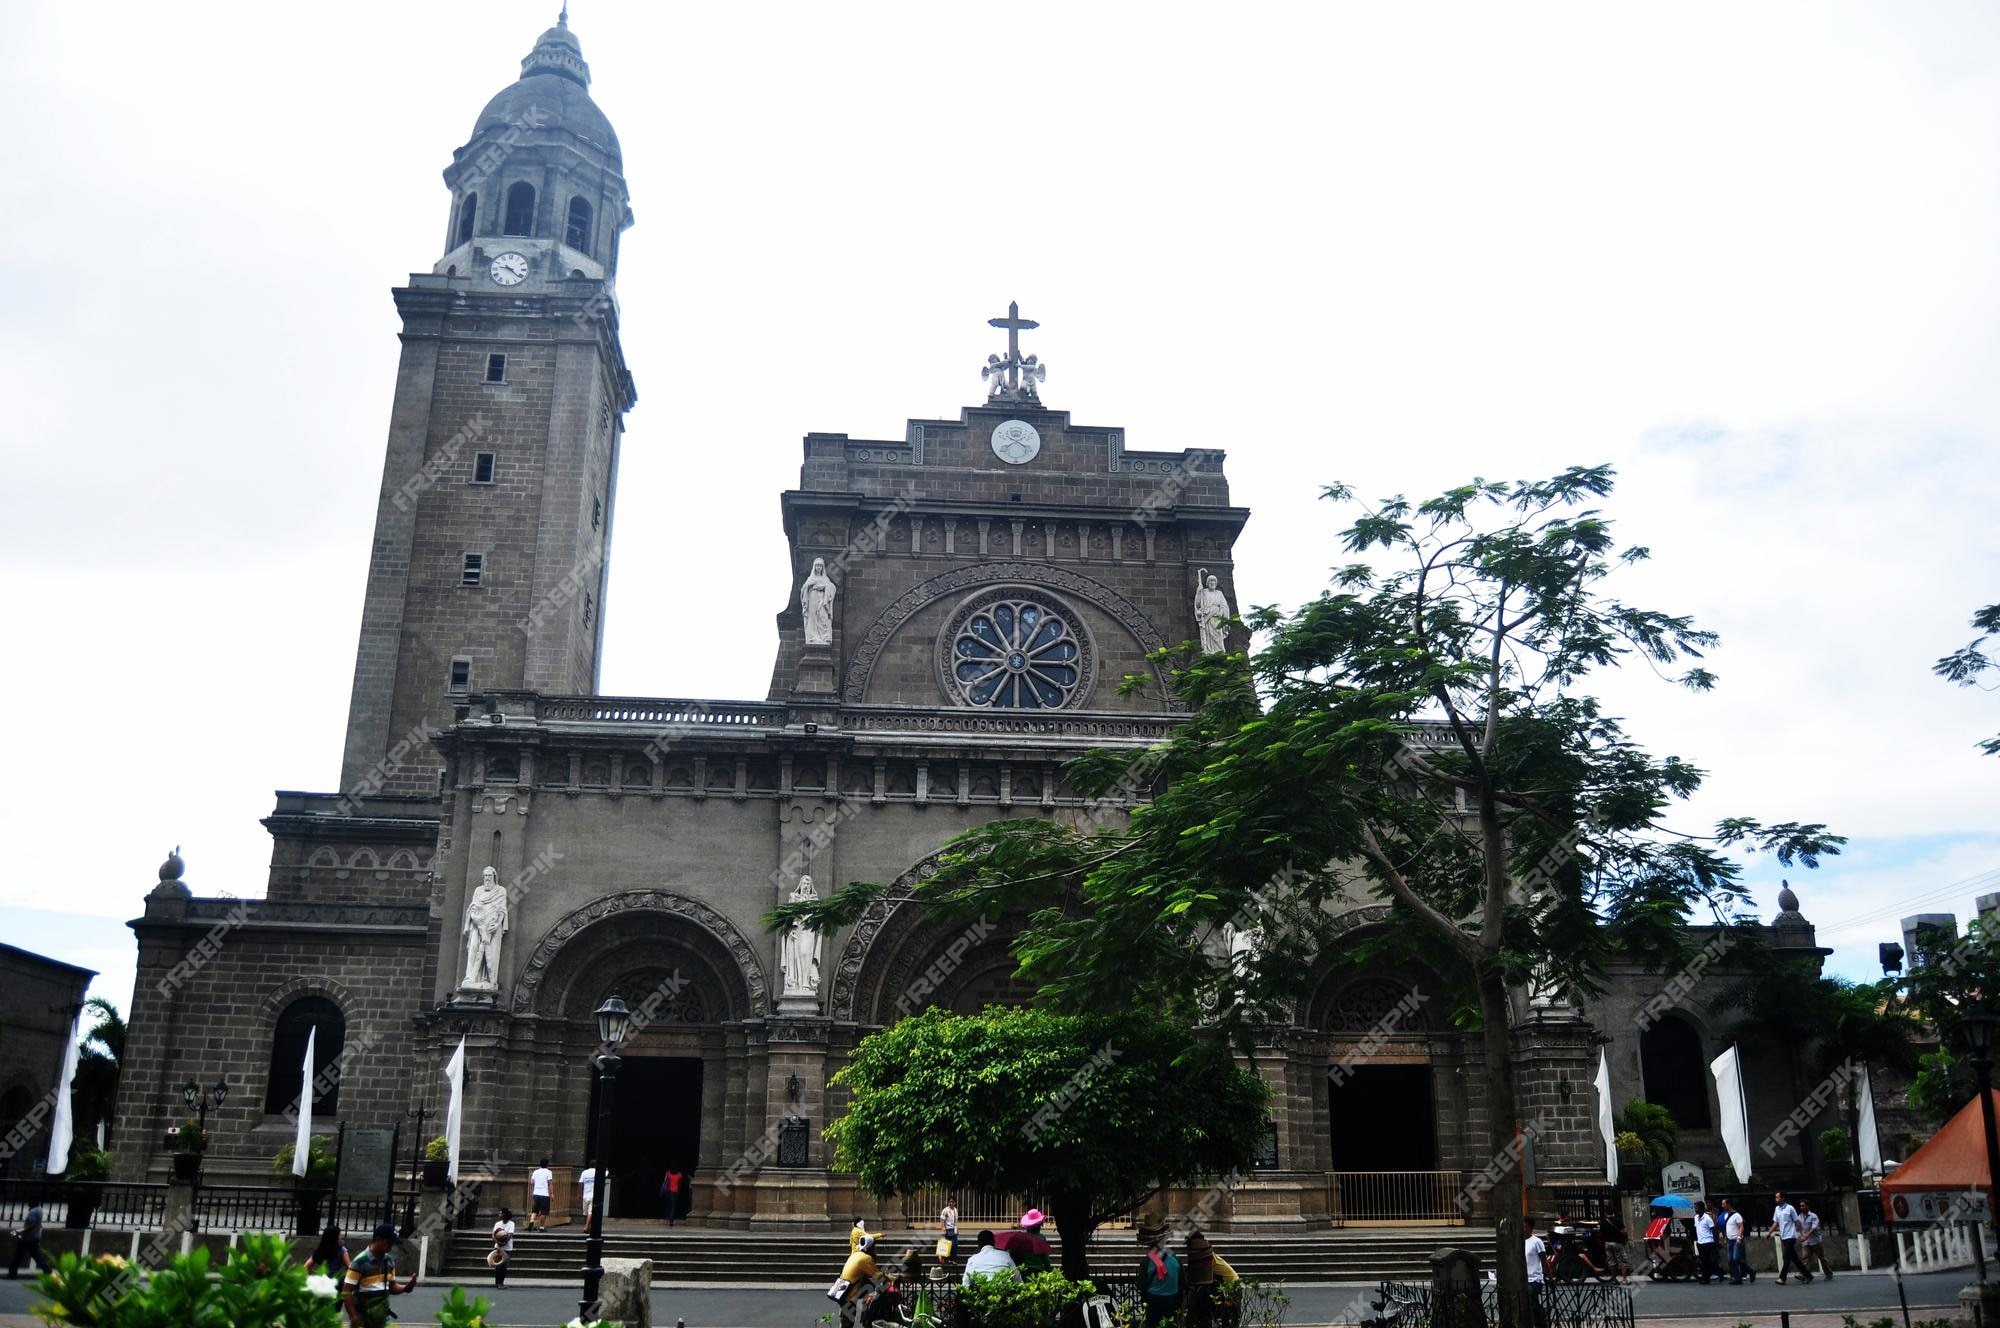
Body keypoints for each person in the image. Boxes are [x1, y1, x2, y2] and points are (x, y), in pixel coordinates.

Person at [341, 1221, 418, 1328]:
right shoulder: (359, 1262)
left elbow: (391, 1287)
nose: (391, 1247)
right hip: (363, 1318)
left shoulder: (389, 1261)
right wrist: (353, 1316)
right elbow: (346, 1291)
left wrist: (406, 1288)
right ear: (378, 1239)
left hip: (382, 1317)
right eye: (388, 1243)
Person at [832, 1232, 884, 1326]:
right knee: (847, 1323)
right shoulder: (865, 1258)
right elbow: (878, 1275)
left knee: (845, 1322)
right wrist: (889, 1278)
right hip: (848, 1296)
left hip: (842, 1292)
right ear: (871, 1247)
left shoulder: (855, 1254)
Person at [1137, 1222, 1183, 1327]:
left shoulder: (1146, 1261)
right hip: (1173, 1303)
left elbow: (1141, 1285)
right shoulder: (1175, 1258)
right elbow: (1182, 1284)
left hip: (1154, 1304)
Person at [993, 1208, 1053, 1273]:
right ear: (1040, 1225)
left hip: (1023, 1271)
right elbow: (1046, 1259)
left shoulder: (1021, 1238)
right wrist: (1049, 1271)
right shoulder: (1041, 1238)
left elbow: (1014, 1256)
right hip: (1038, 1271)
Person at [1773, 1191, 1812, 1283]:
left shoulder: (1790, 1208)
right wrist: (1770, 1232)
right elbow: (1776, 1222)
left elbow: (1797, 1221)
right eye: (1776, 1197)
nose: (1776, 1199)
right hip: (1783, 1237)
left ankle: (1782, 1278)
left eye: (1777, 1197)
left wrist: (1801, 1234)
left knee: (1786, 1257)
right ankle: (1808, 1276)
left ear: (1782, 1198)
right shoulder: (1777, 1209)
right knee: (1794, 1258)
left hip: (1791, 1236)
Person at [6, 1204, 49, 1278]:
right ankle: (48, 1271)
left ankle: (12, 1274)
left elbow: (32, 1224)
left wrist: (22, 1230)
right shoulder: (39, 1210)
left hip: (27, 1238)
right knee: (37, 1256)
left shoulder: (32, 1212)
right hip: (34, 1238)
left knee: (18, 1256)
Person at [1524, 1221, 1550, 1328]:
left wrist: (1546, 1274)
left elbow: (1543, 1259)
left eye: (1525, 1226)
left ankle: (1541, 1323)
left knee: (1532, 1300)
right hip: (1524, 1279)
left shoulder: (1536, 1241)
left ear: (1530, 1228)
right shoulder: (1519, 1242)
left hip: (1535, 1279)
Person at [1800, 1199, 1833, 1280]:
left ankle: (1828, 1273)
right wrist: (1801, 1235)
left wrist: (1806, 1235)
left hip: (1815, 1241)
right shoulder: (1799, 1217)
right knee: (1806, 1258)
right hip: (1806, 1242)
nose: (1801, 1207)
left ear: (1807, 1206)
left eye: (1803, 1206)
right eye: (1800, 1206)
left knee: (1822, 1258)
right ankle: (1804, 1275)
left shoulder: (1813, 1216)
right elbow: (1799, 1227)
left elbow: (1814, 1228)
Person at [1720, 1200, 1751, 1284]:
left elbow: (1741, 1226)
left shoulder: (1737, 1215)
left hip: (1736, 1240)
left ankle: (1750, 1270)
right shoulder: (1726, 1215)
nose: (1722, 1206)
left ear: (1728, 1204)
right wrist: (1726, 1237)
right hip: (1730, 1240)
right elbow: (1727, 1227)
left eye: (1724, 1204)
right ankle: (1737, 1278)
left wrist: (1739, 1237)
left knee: (1736, 1258)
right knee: (1730, 1260)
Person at [1693, 1201, 1720, 1284]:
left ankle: (1706, 1278)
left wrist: (1715, 1241)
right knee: (1706, 1260)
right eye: (1695, 1208)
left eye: (1696, 1208)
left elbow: (1713, 1229)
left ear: (1701, 1208)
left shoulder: (1707, 1218)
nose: (1695, 1210)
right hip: (1700, 1242)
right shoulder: (1696, 1218)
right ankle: (1720, 1272)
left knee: (1705, 1261)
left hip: (1708, 1241)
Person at [490, 1206, 515, 1287]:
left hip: (507, 1248)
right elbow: (493, 1235)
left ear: (505, 1214)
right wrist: (498, 1243)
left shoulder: (511, 1223)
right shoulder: (497, 1224)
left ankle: (501, 1282)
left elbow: (510, 1235)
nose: (499, 1214)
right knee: (498, 1266)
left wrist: (503, 1243)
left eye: (501, 1213)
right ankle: (498, 1283)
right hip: (498, 1247)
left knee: (504, 1266)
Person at [529, 1158, 554, 1231]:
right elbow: (550, 1184)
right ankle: (541, 1227)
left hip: (536, 1193)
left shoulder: (535, 1172)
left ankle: (532, 1221)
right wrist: (552, 1194)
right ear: (547, 1164)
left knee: (534, 1210)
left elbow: (532, 1183)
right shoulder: (549, 1172)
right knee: (544, 1212)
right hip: (545, 1194)